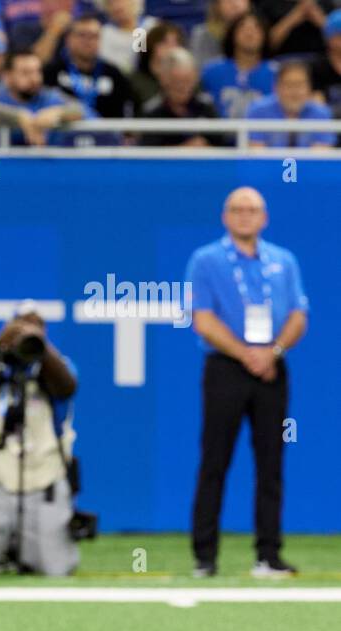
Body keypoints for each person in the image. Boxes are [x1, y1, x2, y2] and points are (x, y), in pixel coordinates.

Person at [186, 187, 307, 578]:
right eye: (237, 209)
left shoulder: (283, 261)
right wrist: (246, 354)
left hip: (272, 370)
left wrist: (272, 353)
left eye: (251, 210)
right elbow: (202, 319)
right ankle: (205, 558)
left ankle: (268, 556)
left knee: (271, 463)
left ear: (264, 217)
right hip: (225, 368)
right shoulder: (205, 260)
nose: (244, 216)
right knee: (214, 461)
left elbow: (298, 315)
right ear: (225, 216)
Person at [0, 302, 79, 577]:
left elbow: (67, 387)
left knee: (57, 569)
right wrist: (0, 344)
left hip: (43, 480)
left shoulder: (58, 367)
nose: (26, 330)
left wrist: (40, 347)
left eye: (34, 325)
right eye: (20, 324)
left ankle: (23, 547)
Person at [0, 49, 86, 145]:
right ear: (7, 76)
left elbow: (80, 110)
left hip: (46, 166)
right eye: (26, 73)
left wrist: (58, 113)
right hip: (1, 167)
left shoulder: (48, 97)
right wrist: (20, 118)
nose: (34, 79)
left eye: (37, 72)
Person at [43, 13, 137, 118]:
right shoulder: (52, 72)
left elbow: (126, 113)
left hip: (106, 133)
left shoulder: (114, 74)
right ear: (68, 39)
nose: (88, 41)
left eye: (94, 36)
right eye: (82, 35)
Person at [140, 47, 228, 146]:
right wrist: (184, 149)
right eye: (177, 81)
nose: (183, 87)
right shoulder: (152, 112)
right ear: (164, 80)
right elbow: (148, 153)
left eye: (187, 81)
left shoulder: (206, 107)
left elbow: (222, 144)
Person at [200, 12, 277, 117]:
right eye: (243, 28)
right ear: (233, 34)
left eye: (256, 29)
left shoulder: (277, 73)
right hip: (220, 132)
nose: (250, 33)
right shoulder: (211, 71)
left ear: (265, 36)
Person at [245, 58, 335, 146]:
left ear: (309, 88)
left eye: (300, 85)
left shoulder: (321, 113)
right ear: (276, 87)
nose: (294, 91)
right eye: (289, 84)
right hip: (269, 161)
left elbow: (321, 154)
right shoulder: (258, 111)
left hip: (307, 162)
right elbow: (256, 153)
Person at [190, 0, 249, 68]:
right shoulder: (202, 34)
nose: (236, 4)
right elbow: (201, 68)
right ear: (217, 5)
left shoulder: (260, 32)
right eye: (228, 1)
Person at [312, 8, 341, 115]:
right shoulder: (317, 67)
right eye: (338, 35)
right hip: (328, 122)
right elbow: (316, 103)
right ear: (328, 38)